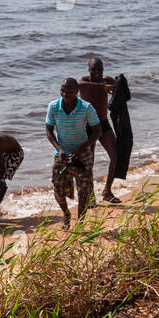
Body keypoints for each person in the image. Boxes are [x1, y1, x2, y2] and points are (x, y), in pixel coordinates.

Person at [45, 78, 102, 229]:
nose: (65, 94)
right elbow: (49, 130)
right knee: (58, 188)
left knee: (83, 190)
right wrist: (59, 149)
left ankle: (80, 222)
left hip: (82, 153)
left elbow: (97, 131)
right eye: (62, 90)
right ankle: (66, 214)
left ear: (77, 92)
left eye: (69, 92)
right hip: (62, 153)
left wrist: (81, 150)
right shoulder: (53, 106)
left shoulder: (86, 107)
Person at [78, 57, 120, 203]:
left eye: (100, 70)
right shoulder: (83, 81)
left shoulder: (106, 80)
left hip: (103, 123)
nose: (97, 72)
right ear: (88, 70)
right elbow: (79, 85)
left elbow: (121, 88)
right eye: (94, 69)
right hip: (88, 126)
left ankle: (107, 191)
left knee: (116, 155)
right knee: (89, 161)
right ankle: (90, 197)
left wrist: (116, 85)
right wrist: (103, 87)